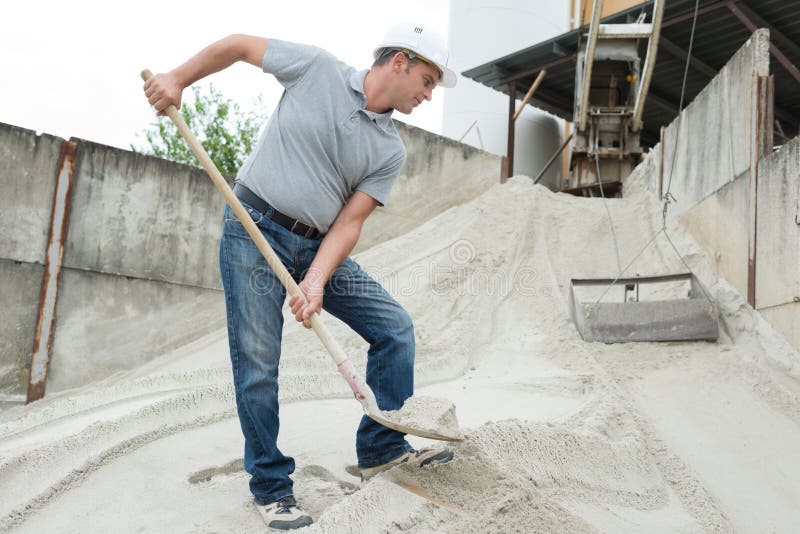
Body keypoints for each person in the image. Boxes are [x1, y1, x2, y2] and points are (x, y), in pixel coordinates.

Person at [143, 23, 457, 531]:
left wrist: (314, 281)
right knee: (259, 365)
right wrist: (177, 78)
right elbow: (240, 46)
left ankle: (381, 452)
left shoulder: (390, 150)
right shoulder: (316, 69)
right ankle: (270, 486)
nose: (427, 94)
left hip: (317, 247)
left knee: (394, 327)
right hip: (254, 230)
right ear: (399, 61)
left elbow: (349, 223)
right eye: (426, 80)